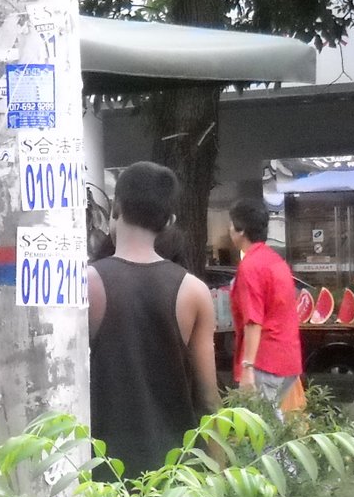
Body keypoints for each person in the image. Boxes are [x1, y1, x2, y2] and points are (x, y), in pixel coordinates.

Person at [86, 162, 220, 479]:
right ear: (169, 220)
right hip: (175, 481)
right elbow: (209, 398)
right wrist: (217, 482)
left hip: (102, 477)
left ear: (115, 209)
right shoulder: (195, 292)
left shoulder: (84, 285)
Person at [227, 200, 303, 407]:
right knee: (273, 425)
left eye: (231, 224)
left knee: (261, 429)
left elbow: (253, 320)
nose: (229, 229)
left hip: (264, 360)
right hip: (288, 358)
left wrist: (248, 367)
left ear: (241, 231)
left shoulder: (250, 266)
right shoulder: (275, 261)